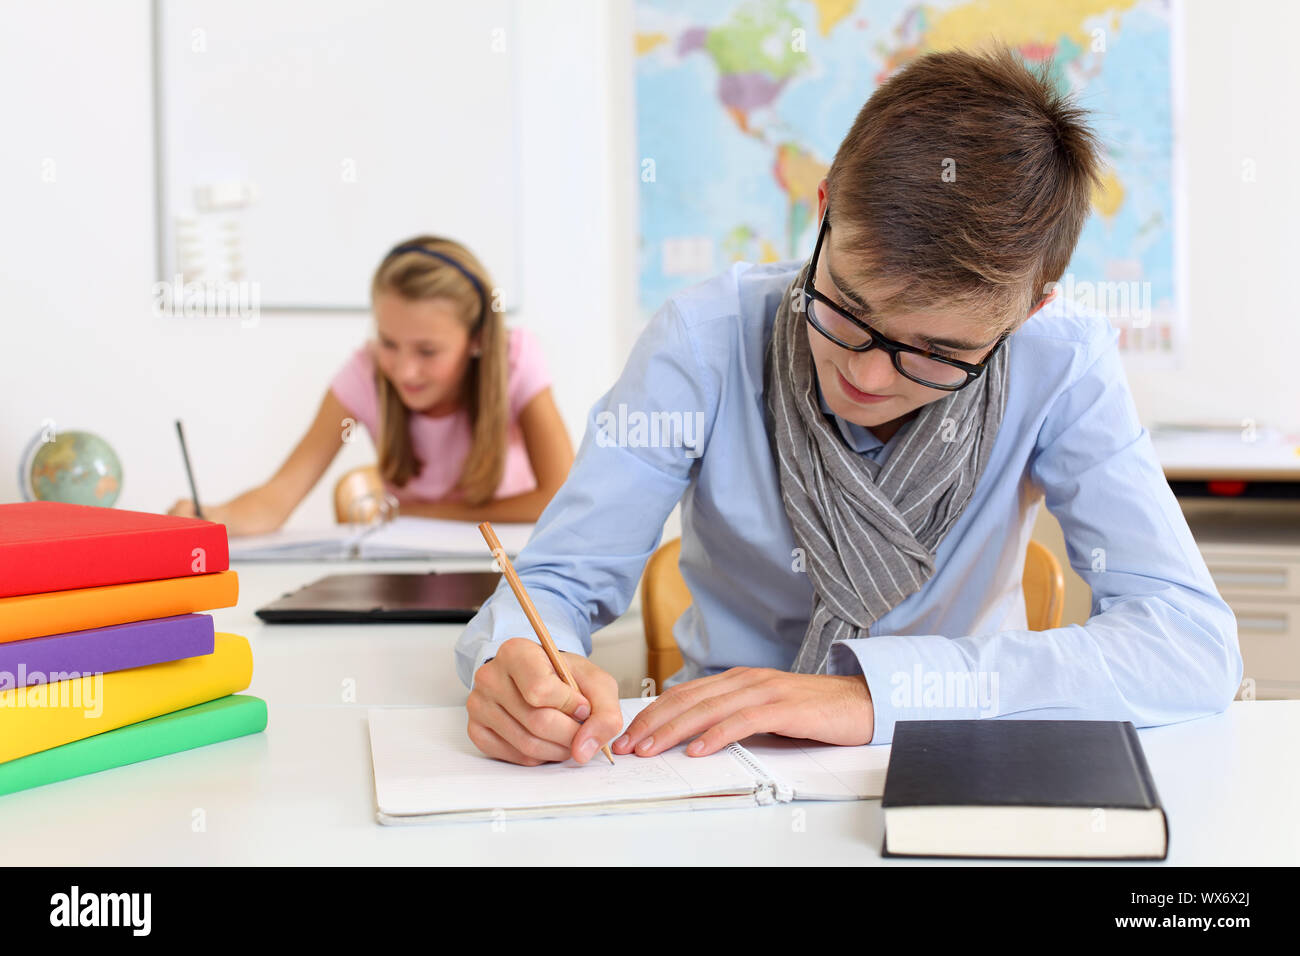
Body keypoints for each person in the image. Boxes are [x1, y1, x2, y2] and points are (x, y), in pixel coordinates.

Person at [455, 48, 1241, 766]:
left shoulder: (1061, 362)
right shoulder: (704, 340)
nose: (866, 374)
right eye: (848, 307)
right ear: (824, 209)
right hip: (722, 765)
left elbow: (1189, 644)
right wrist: (517, 659)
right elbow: (555, 584)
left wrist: (877, 695)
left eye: (935, 352)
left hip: (960, 754)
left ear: (1026, 314)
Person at [168, 236, 574, 533]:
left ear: (478, 340)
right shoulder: (365, 373)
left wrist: (420, 512)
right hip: (409, 572)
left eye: (428, 351)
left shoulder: (514, 360)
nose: (403, 370)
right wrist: (211, 518)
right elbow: (277, 499)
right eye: (389, 343)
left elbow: (561, 498)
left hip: (510, 570)